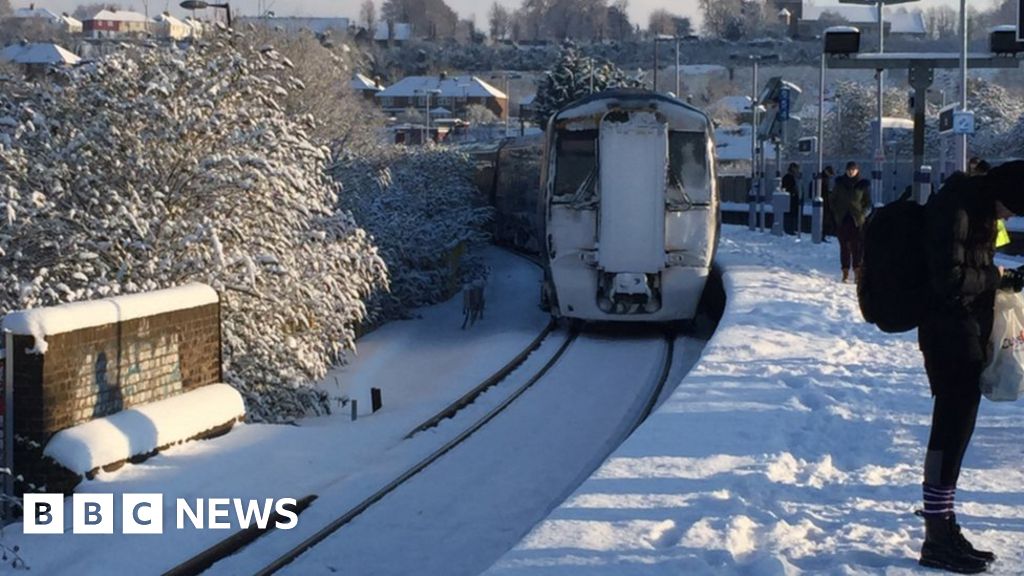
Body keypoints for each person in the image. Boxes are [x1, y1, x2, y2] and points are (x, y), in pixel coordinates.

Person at [917, 160, 1024, 574]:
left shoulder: (974, 207)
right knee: (950, 428)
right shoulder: (958, 209)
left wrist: (1003, 279)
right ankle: (936, 535)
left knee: (956, 427)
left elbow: (971, 269)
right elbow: (948, 278)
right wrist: (994, 276)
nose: (1009, 218)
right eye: (1010, 210)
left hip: (965, 328)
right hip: (948, 333)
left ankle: (943, 525)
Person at [829, 161, 871, 283]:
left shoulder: (862, 185)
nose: (851, 172)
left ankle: (857, 271)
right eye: (849, 170)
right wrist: (837, 212)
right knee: (844, 247)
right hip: (843, 219)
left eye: (853, 170)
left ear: (857, 171)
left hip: (857, 220)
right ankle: (845, 272)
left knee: (857, 247)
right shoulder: (840, 184)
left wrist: (862, 214)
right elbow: (832, 200)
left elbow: (868, 203)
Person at [781, 163, 800, 235]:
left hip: (792, 199)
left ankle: (790, 228)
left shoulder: (792, 177)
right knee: (790, 215)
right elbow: (787, 187)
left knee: (791, 215)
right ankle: (789, 229)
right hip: (790, 199)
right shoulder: (789, 177)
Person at [820, 165, 836, 241]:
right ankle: (823, 235)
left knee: (825, 219)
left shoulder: (823, 179)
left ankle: (823, 235)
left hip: (825, 201)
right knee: (825, 219)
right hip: (825, 202)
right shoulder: (823, 179)